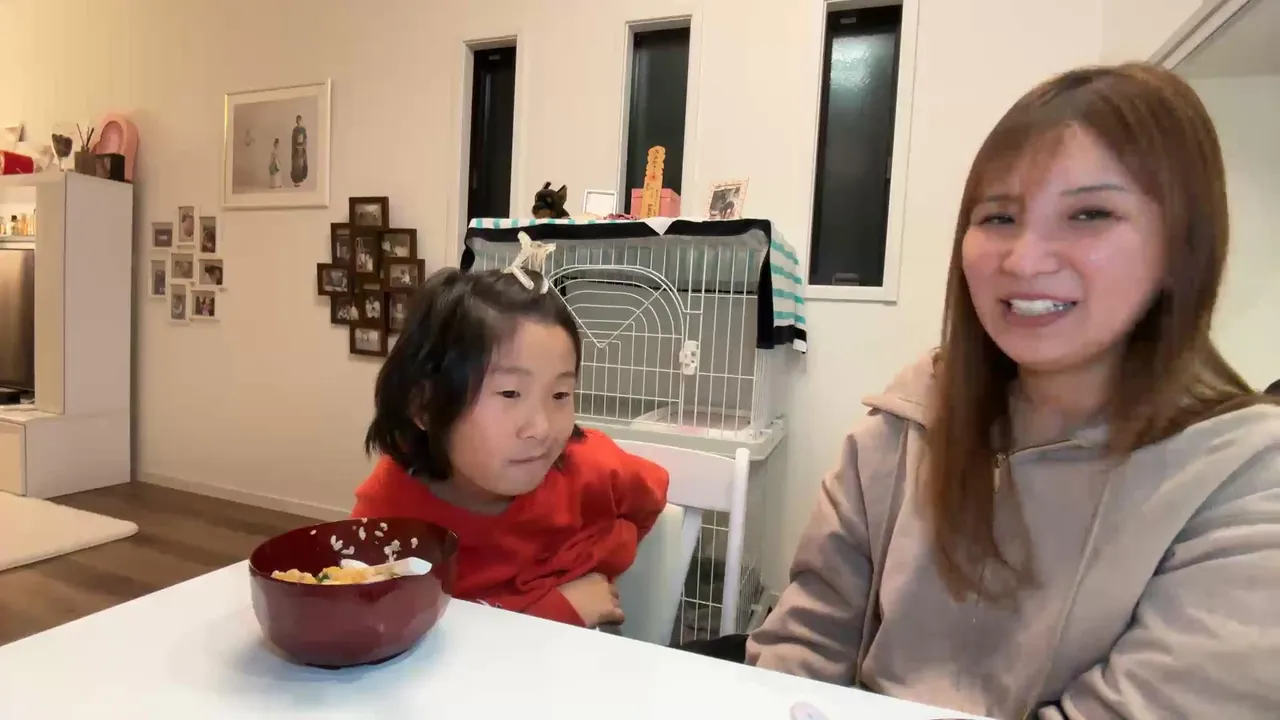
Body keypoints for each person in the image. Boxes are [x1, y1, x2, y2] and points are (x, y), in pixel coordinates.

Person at [747, 63, 1280, 718]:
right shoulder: (904, 423)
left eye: (1090, 213)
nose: (1024, 259)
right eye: (999, 216)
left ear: (1181, 247)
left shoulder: (1248, 478)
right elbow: (801, 646)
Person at [352, 262, 670, 630]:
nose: (542, 428)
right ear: (425, 406)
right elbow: (379, 629)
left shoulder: (591, 467)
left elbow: (651, 495)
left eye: (561, 394)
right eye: (510, 393)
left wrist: (600, 566)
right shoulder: (388, 518)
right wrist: (557, 610)